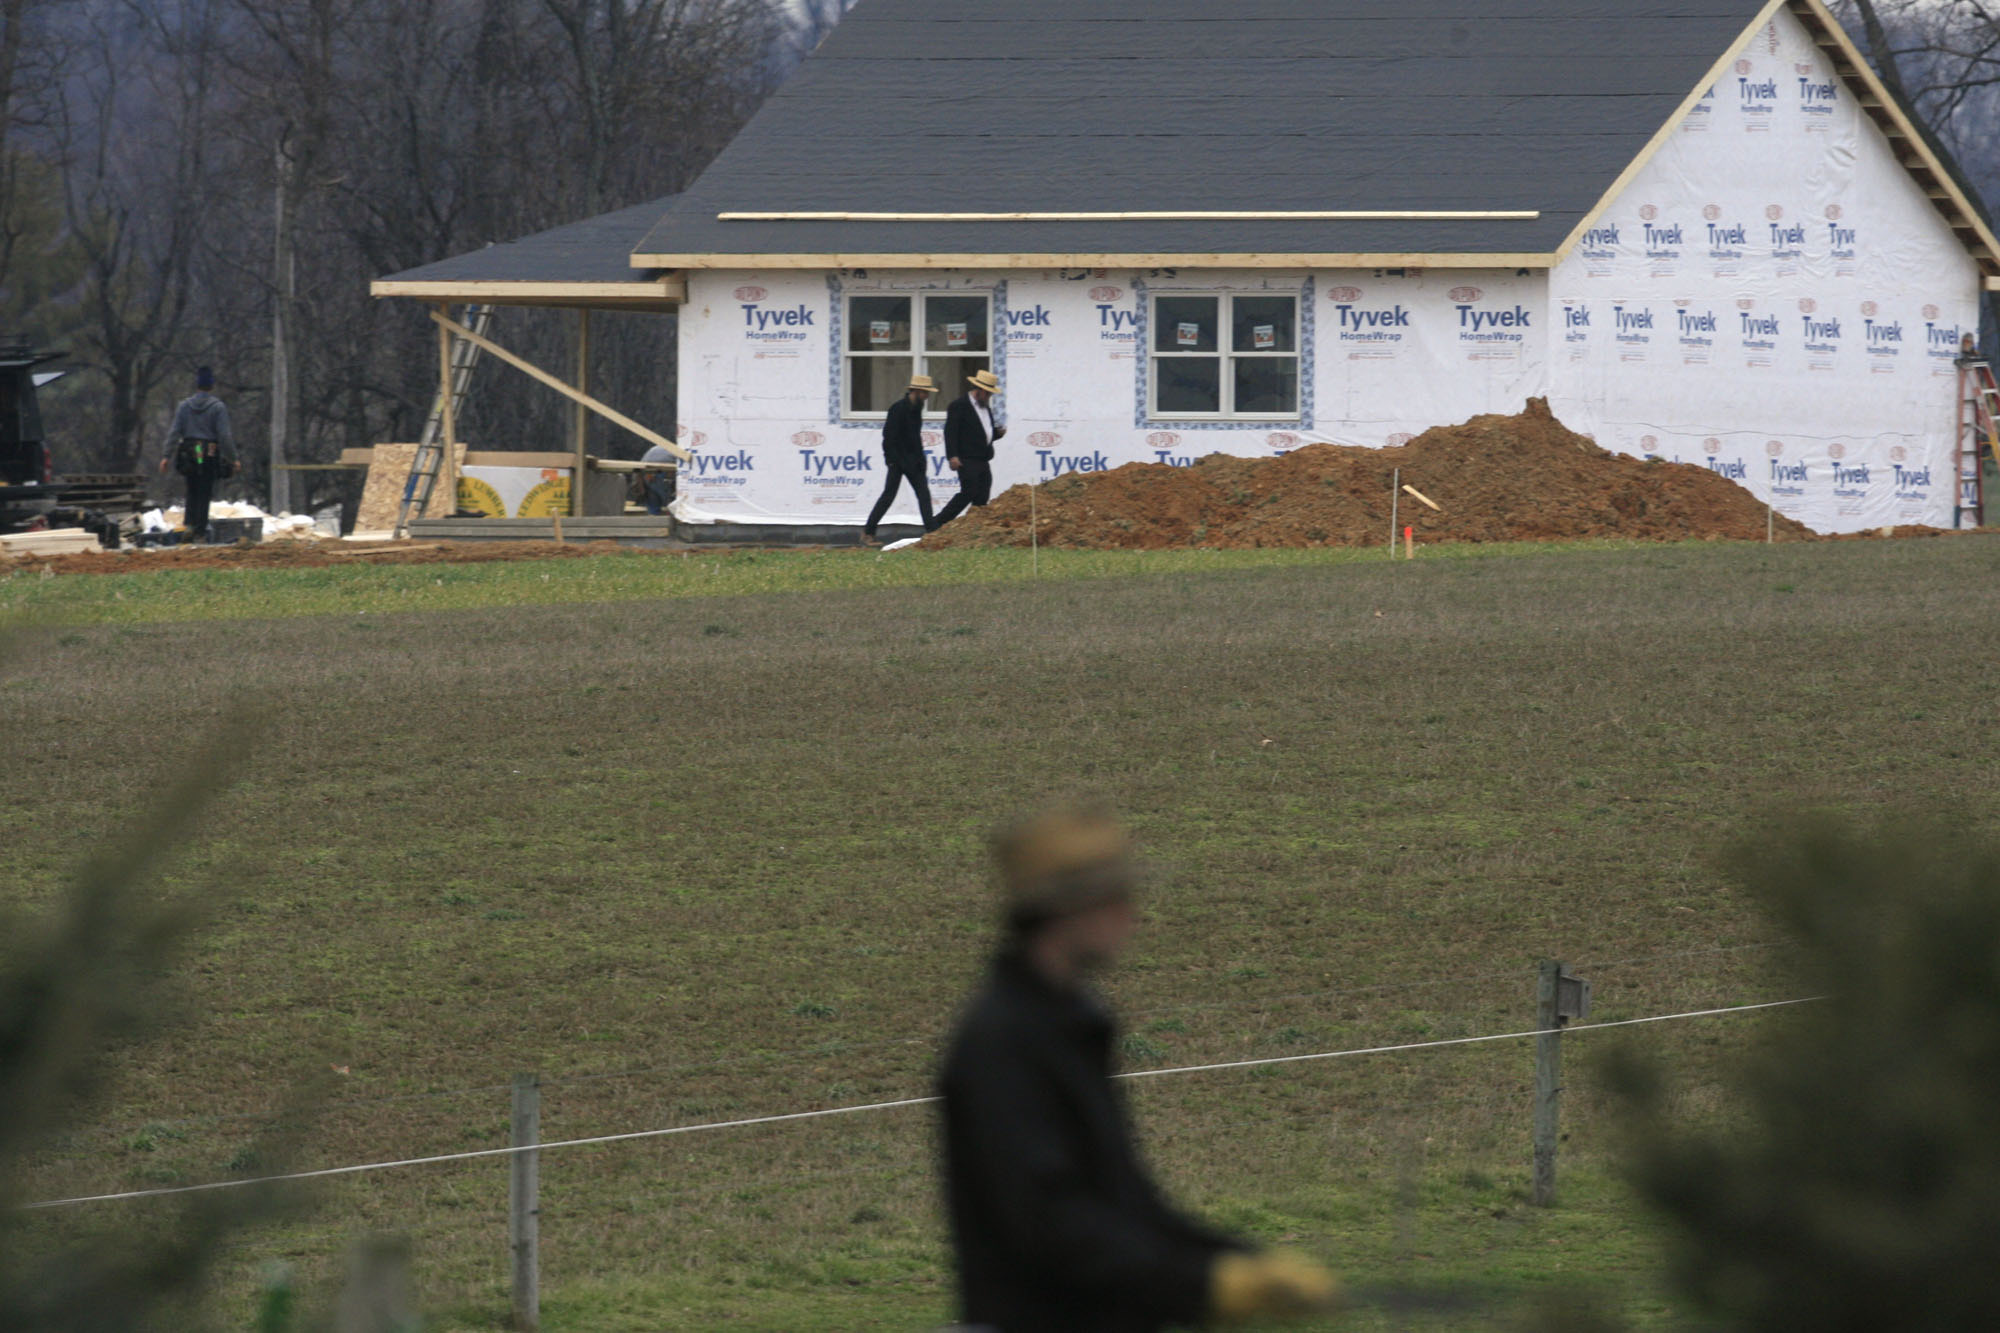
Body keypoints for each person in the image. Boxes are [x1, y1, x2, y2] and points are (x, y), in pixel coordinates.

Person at [937, 803, 1341, 1332]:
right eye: (1116, 897)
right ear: (1067, 909)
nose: (1132, 914)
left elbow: (1126, 1203)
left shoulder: (1070, 1024)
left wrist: (1238, 1261)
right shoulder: (1003, 1042)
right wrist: (1203, 1285)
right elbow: (1051, 1225)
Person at [157, 366, 236, 541]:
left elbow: (174, 432)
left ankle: (190, 525)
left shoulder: (184, 406)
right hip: (207, 452)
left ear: (197, 385)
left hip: (190, 452)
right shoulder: (218, 407)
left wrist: (166, 456)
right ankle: (200, 530)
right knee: (204, 490)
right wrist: (233, 458)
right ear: (211, 385)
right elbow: (224, 435)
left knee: (192, 488)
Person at [862, 373, 936, 541]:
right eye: (925, 392)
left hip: (914, 462)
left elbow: (915, 437)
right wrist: (892, 461)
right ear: (916, 391)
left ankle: (932, 532)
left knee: (924, 495)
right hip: (898, 461)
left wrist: (921, 460)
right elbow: (888, 437)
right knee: (888, 496)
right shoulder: (897, 409)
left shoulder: (917, 409)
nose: (927, 396)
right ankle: (868, 532)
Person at [931, 368, 1004, 530]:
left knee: (983, 494)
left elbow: (983, 433)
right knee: (968, 491)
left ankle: (975, 527)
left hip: (983, 458)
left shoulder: (985, 408)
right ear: (979, 390)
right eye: (988, 393)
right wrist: (952, 456)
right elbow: (950, 433)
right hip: (967, 458)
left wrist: (997, 434)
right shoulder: (959, 406)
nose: (989, 397)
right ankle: (938, 522)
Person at [639, 442, 677, 515]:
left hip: (646, 472)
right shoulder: (676, 450)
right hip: (663, 471)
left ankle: (654, 517)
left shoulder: (657, 449)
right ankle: (671, 516)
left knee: (652, 498)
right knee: (671, 503)